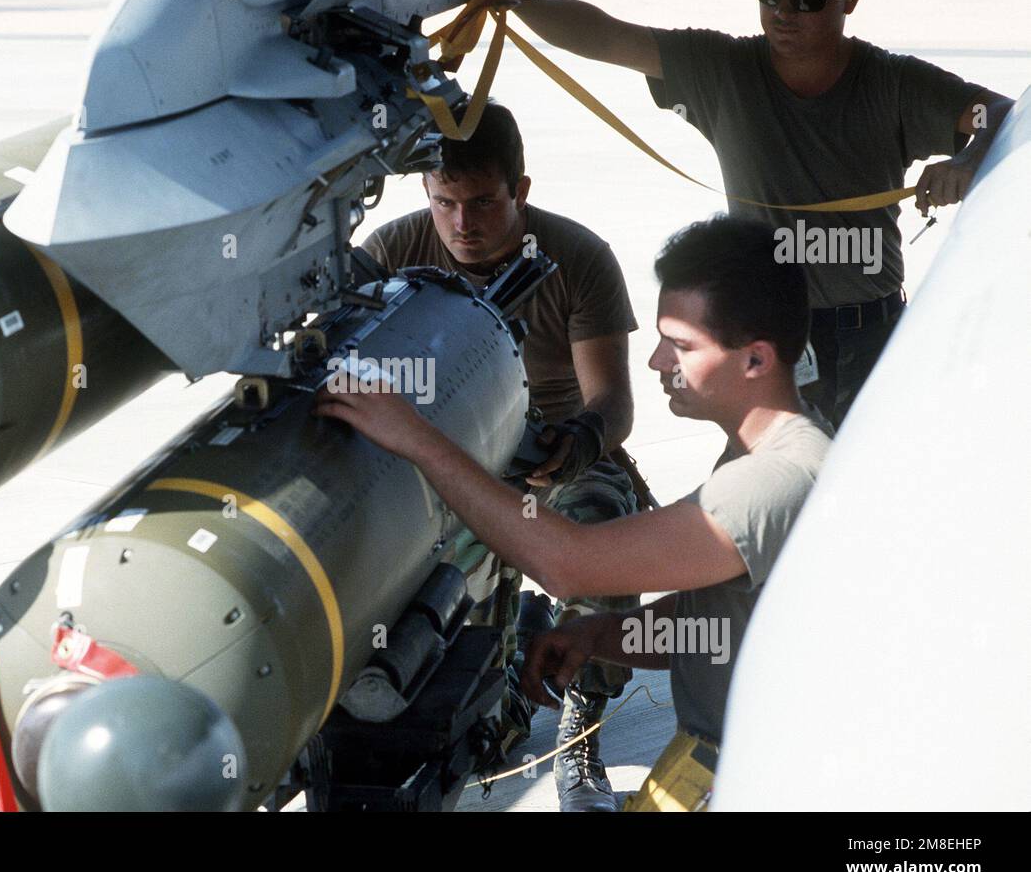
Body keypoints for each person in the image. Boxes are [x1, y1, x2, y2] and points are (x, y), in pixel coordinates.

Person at [316, 215, 834, 811]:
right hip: (718, 763)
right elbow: (718, 628)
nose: (657, 361)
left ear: (755, 360)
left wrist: (415, 436)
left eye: (682, 346)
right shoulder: (768, 454)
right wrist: (599, 635)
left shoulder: (771, 481)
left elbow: (567, 564)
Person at [475, 0, 1014, 427]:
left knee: (866, 502)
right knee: (764, 495)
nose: (783, 11)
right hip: (767, 342)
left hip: (870, 335)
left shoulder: (891, 82)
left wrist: (965, 162)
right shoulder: (725, 70)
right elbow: (610, 36)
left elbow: (999, 112)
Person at [359, 100, 642, 811]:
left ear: (521, 189)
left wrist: (575, 445)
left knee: (602, 535)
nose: (462, 222)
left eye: (483, 200)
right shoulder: (390, 253)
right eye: (443, 202)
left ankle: (581, 732)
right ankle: (510, 666)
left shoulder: (577, 258)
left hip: (549, 459)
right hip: (441, 467)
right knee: (477, 704)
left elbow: (613, 403)